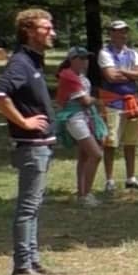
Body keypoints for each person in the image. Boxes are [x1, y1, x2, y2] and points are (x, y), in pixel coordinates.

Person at [0, 9, 58, 275]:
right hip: (31, 147)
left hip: (41, 145)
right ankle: (21, 268)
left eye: (51, 27)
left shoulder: (33, 61)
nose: (52, 32)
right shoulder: (20, 63)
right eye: (46, 28)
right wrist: (25, 122)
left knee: (35, 205)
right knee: (27, 208)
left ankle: (32, 261)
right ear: (29, 31)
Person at [97, 20, 138, 193]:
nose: (122, 34)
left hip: (131, 102)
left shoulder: (132, 53)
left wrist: (124, 72)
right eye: (118, 31)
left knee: (131, 141)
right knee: (111, 142)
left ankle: (131, 178)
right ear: (111, 33)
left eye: (124, 31)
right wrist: (133, 75)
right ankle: (110, 180)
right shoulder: (104, 53)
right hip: (113, 102)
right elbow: (111, 77)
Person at [54, 46, 107, 207]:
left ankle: (81, 192)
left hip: (86, 117)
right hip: (75, 119)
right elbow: (84, 101)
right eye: (81, 58)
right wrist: (97, 101)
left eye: (87, 58)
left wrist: (93, 101)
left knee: (84, 156)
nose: (85, 62)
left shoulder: (82, 77)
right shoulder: (69, 76)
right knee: (96, 154)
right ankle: (86, 195)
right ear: (72, 60)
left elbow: (86, 99)